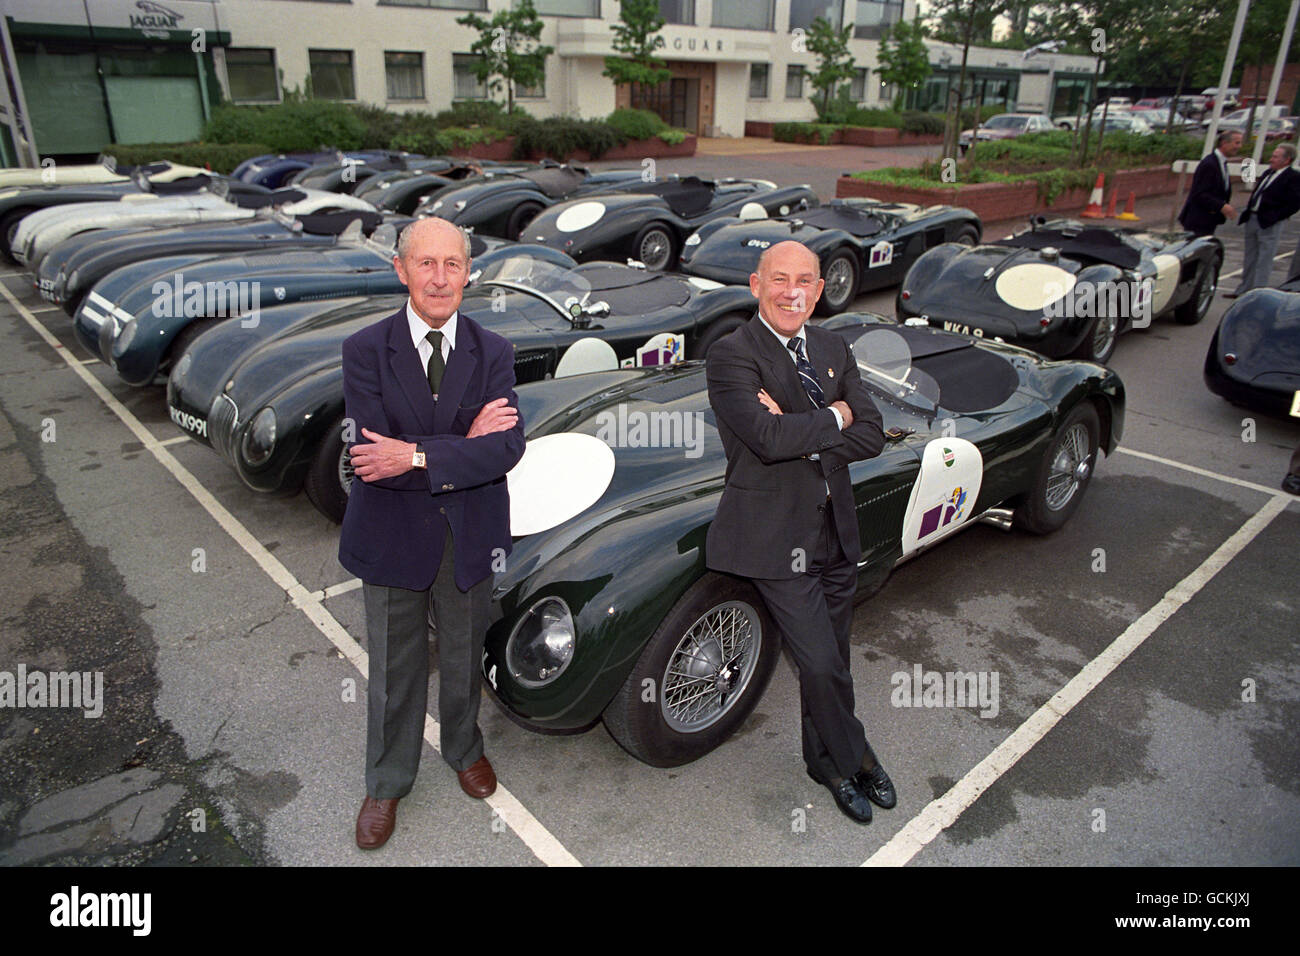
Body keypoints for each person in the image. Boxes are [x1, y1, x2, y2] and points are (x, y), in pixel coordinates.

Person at [339, 217, 525, 850]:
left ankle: (464, 748)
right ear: (401, 270)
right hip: (392, 536)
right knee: (395, 667)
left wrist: (416, 455)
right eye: (427, 264)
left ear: (468, 272)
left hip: (472, 534)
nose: (441, 278)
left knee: (463, 651)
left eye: (453, 264)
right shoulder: (365, 349)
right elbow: (371, 459)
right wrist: (459, 447)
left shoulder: (493, 350)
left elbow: (506, 450)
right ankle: (387, 781)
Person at [704, 240, 894, 825]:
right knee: (819, 663)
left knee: (834, 654)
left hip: (836, 530)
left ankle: (825, 764)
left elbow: (873, 435)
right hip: (773, 536)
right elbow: (766, 440)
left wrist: (800, 422)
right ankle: (856, 753)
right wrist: (835, 415)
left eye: (805, 281)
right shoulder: (732, 354)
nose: (793, 292)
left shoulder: (835, 346)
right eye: (780, 279)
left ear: (818, 288)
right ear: (756, 285)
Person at [1227, 143, 1300, 297]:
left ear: (1286, 160)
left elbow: (1295, 202)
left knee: (1264, 259)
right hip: (1253, 218)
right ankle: (1244, 289)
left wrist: (1277, 216)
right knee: (1250, 257)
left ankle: (1257, 292)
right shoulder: (1268, 173)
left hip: (1269, 222)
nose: (1271, 159)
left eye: (1275, 156)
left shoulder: (1293, 177)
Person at [1178, 129, 1243, 237]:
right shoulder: (1209, 164)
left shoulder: (1221, 163)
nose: (1239, 146)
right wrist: (1222, 206)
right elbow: (1199, 194)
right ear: (1224, 143)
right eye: (1236, 143)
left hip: (1209, 221)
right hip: (1198, 221)